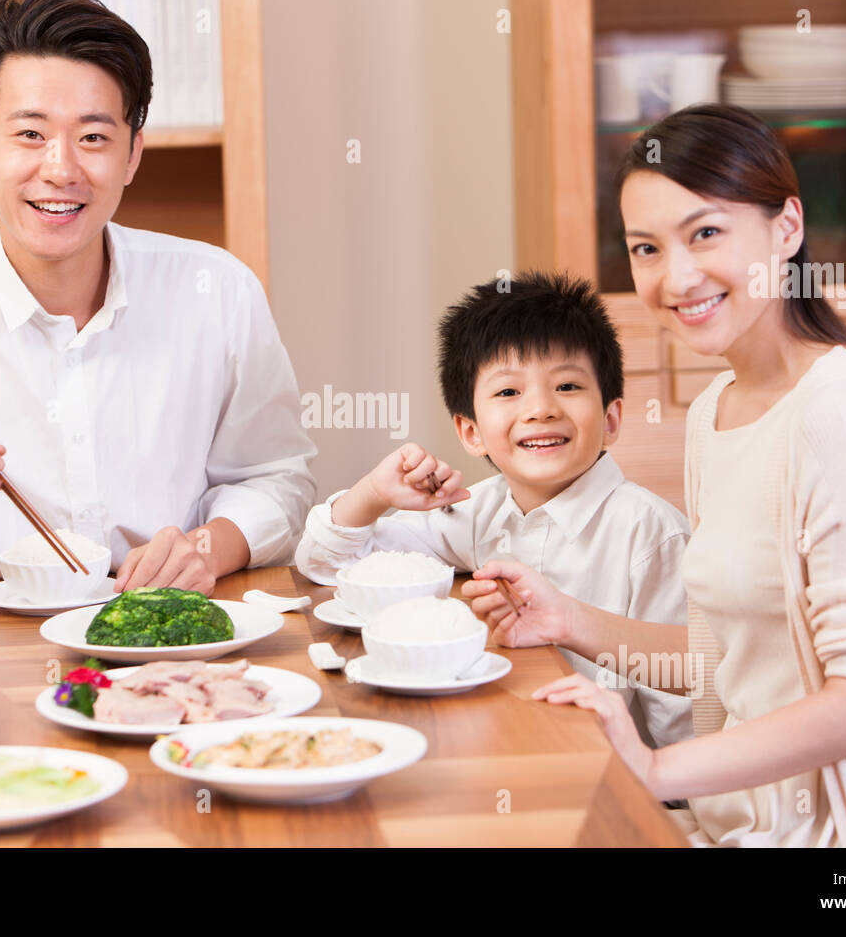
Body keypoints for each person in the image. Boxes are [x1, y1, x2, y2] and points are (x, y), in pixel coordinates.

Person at [464, 104, 846, 846]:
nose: (675, 276)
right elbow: (722, 658)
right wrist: (567, 620)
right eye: (645, 248)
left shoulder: (843, 410)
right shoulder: (714, 413)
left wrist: (658, 769)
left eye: (705, 233)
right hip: (736, 823)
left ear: (787, 228)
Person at [0, 0, 316, 604]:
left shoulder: (219, 290)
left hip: (173, 626)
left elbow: (277, 478)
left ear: (133, 154)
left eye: (94, 138)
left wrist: (209, 547)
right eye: (29, 133)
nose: (60, 168)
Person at [296, 271, 692, 749]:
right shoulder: (476, 510)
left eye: (567, 386)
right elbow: (326, 565)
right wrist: (375, 492)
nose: (541, 409)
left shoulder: (651, 534)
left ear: (610, 419)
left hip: (622, 776)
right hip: (511, 736)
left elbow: (685, 704)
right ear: (470, 433)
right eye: (509, 392)